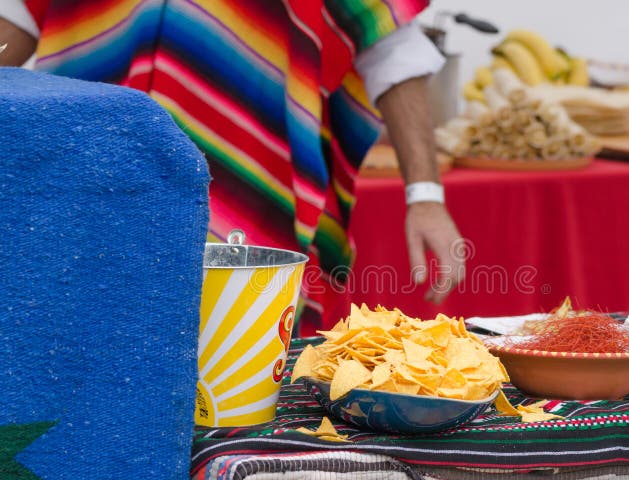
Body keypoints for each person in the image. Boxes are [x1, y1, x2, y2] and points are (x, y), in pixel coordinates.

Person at [0, 0, 466, 334]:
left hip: (253, 195)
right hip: (91, 192)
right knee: (83, 363)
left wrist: (425, 196)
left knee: (242, 371)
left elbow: (392, 48)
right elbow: (18, 19)